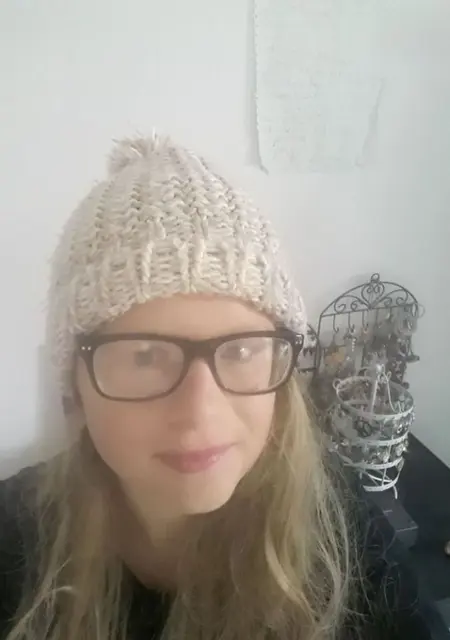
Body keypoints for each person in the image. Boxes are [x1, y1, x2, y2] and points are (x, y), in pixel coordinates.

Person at [0, 135, 436, 640]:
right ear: (74, 385)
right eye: (145, 356)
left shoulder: (344, 532)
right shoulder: (13, 539)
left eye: (242, 350)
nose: (201, 413)